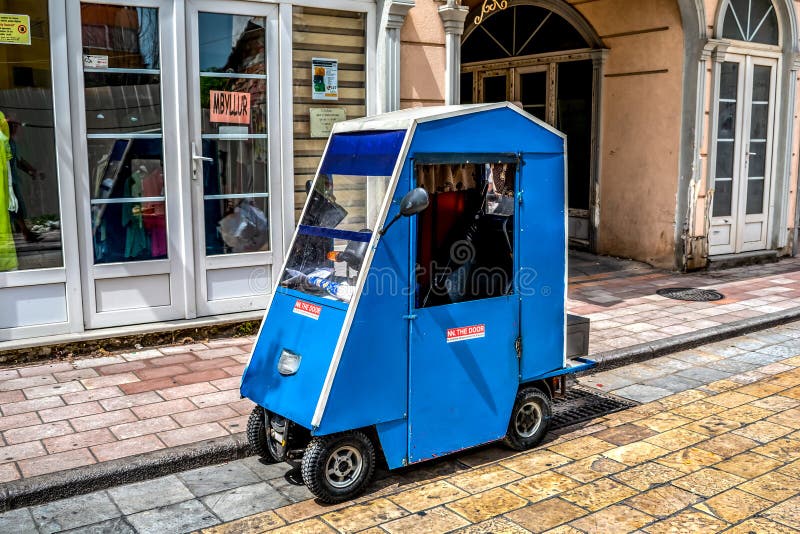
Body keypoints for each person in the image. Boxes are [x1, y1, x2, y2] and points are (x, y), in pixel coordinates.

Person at [7, 117, 43, 242]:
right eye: (14, 126)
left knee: (16, 207)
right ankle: (25, 233)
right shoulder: (4, 143)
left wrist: (32, 171)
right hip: (7, 182)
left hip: (12, 180)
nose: (17, 129)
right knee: (15, 207)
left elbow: (19, 161)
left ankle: (23, 232)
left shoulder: (11, 143)